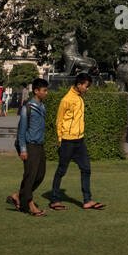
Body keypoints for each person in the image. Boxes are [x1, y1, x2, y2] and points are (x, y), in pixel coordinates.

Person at [49, 75, 104, 211]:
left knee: (86, 169)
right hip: (67, 141)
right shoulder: (66, 100)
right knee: (61, 170)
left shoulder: (80, 99)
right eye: (86, 86)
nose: (87, 89)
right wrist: (60, 139)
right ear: (79, 84)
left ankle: (87, 200)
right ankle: (55, 200)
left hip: (80, 141)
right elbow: (59, 121)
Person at [8, 79, 49, 216]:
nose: (46, 93)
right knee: (30, 176)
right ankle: (31, 206)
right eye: (44, 90)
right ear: (36, 91)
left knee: (40, 175)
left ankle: (18, 196)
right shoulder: (28, 108)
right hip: (30, 146)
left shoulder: (43, 106)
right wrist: (23, 149)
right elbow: (21, 130)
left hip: (40, 145)